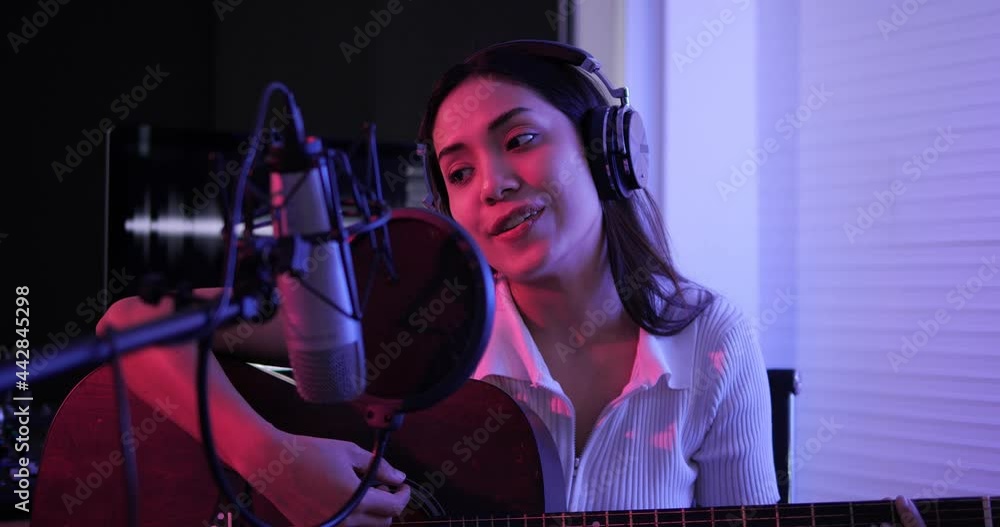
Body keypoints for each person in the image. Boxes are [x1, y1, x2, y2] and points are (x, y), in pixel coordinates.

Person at [96, 40, 926, 526]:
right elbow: (129, 321)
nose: (490, 183)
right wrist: (272, 456)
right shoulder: (394, 313)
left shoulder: (713, 339)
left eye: (519, 139)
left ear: (609, 151)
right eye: (459, 169)